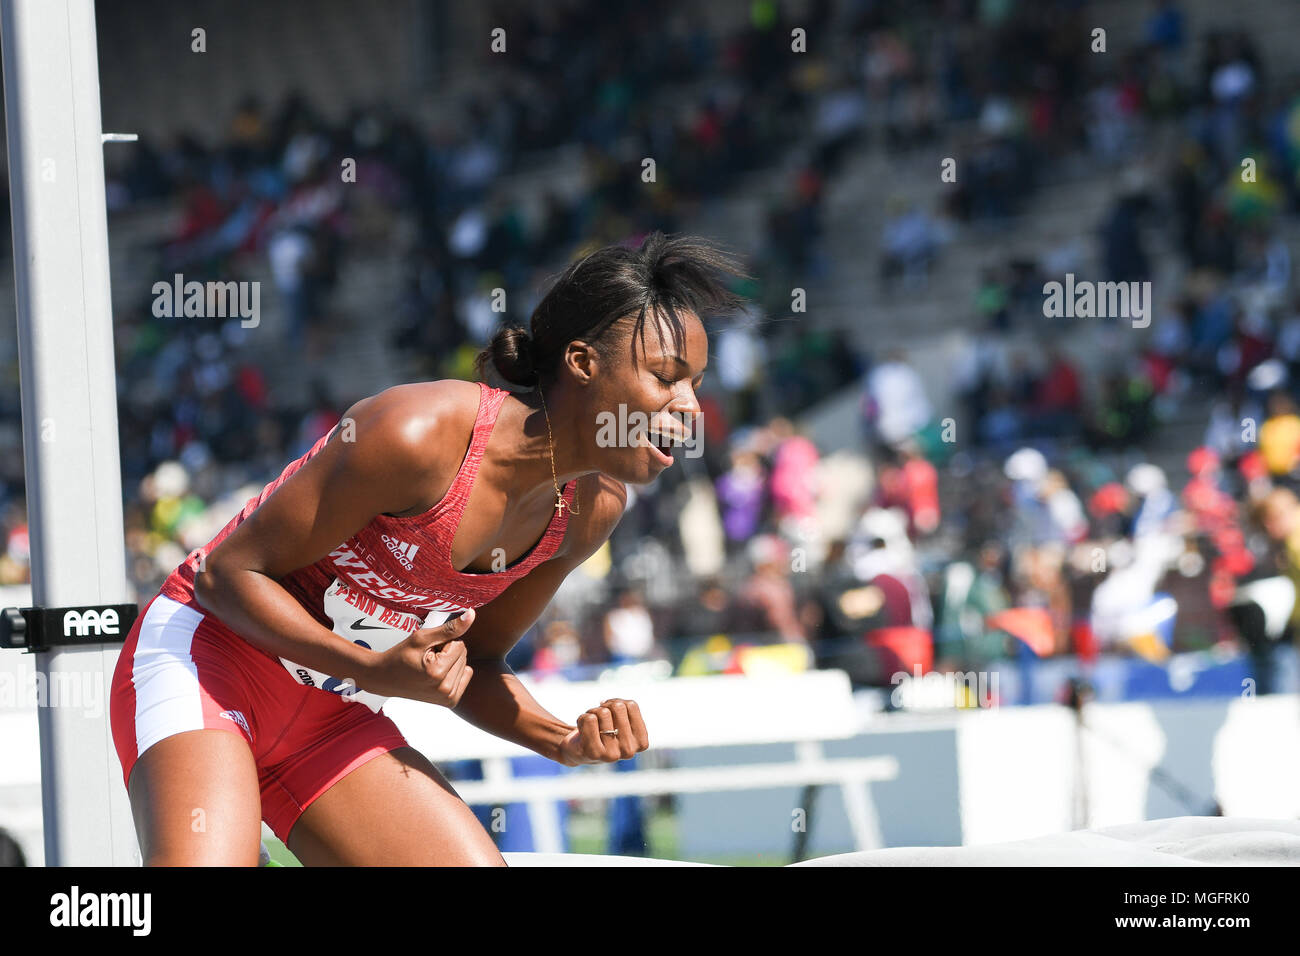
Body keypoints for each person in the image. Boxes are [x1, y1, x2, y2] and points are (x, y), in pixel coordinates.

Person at [109, 232, 747, 865]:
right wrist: (373, 670)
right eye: (666, 377)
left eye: (696, 383)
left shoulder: (591, 510)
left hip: (330, 717)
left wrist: (563, 740)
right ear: (583, 364)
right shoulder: (414, 434)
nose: (689, 407)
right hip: (209, 661)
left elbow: (477, 660)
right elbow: (226, 575)